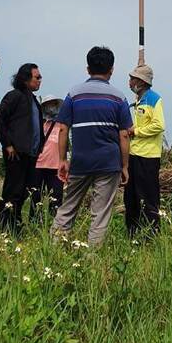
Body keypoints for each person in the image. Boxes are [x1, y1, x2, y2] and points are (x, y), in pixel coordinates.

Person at [51, 46, 133, 248]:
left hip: (80, 162)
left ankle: (54, 252)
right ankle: (92, 259)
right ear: (111, 69)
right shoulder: (119, 97)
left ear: (88, 69)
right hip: (108, 163)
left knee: (67, 208)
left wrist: (62, 160)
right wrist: (125, 166)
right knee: (100, 214)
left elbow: (62, 129)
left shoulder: (74, 94)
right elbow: (124, 134)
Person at [0, 63, 44, 232]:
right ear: (25, 79)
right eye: (37, 77)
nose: (40, 80)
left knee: (24, 193)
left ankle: (15, 226)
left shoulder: (34, 101)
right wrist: (7, 144)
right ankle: (3, 227)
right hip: (16, 153)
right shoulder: (14, 96)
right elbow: (1, 119)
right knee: (12, 192)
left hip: (31, 155)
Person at [124, 63, 165, 238]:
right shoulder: (138, 101)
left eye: (132, 79)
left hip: (148, 157)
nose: (130, 82)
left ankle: (151, 235)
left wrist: (137, 131)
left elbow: (159, 125)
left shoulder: (154, 99)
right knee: (131, 197)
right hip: (134, 154)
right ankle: (132, 233)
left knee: (148, 197)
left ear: (141, 81)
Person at [31, 96, 64, 215]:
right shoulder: (38, 124)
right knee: (35, 196)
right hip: (38, 165)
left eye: (54, 104)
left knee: (56, 197)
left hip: (56, 166)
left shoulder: (61, 124)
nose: (51, 108)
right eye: (49, 104)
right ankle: (35, 221)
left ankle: (54, 222)